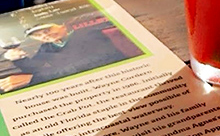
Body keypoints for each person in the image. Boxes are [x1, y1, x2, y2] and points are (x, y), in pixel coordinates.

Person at [0, 19, 141, 91]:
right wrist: (18, 58)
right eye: (38, 35)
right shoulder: (47, 47)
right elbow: (36, 68)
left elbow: (88, 64)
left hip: (113, 81)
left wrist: (35, 78)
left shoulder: (87, 34)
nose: (44, 35)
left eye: (47, 29)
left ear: (62, 26)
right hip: (77, 88)